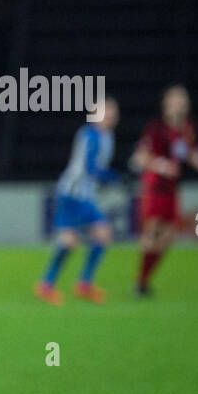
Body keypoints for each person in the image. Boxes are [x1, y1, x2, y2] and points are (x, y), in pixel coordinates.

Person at [34, 98, 120, 304]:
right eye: (105, 111)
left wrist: (108, 177)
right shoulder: (89, 135)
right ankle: (46, 284)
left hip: (85, 195)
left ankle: (83, 284)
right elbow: (89, 167)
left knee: (103, 234)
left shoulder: (107, 136)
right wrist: (112, 176)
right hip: (72, 193)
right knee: (70, 240)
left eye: (112, 112)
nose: (110, 115)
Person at [130, 84, 198, 296]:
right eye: (175, 100)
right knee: (153, 230)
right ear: (166, 103)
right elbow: (140, 157)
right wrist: (162, 166)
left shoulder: (190, 128)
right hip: (154, 186)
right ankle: (140, 281)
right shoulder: (156, 128)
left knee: (167, 237)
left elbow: (195, 154)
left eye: (182, 100)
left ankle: (143, 281)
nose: (179, 104)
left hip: (173, 188)